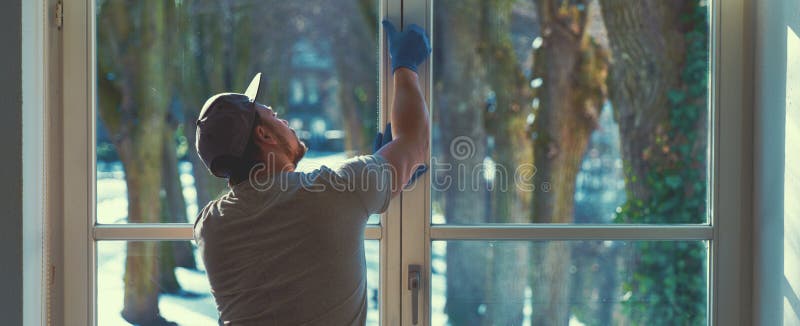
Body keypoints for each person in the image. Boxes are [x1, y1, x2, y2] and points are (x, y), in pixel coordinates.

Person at [193, 20, 431, 325]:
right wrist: (405, 65)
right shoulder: (338, 192)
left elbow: (274, 208)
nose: (285, 121)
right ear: (264, 136)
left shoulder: (209, 228)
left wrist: (381, 172)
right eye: (274, 116)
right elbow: (415, 142)